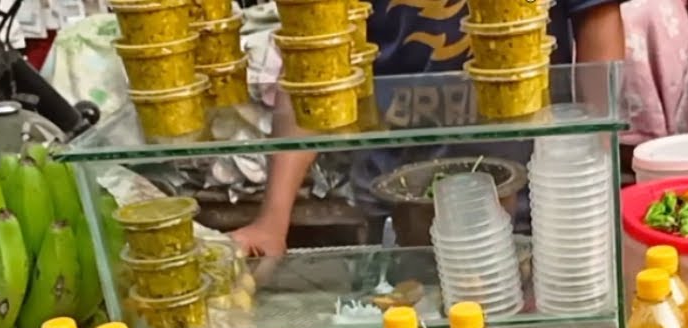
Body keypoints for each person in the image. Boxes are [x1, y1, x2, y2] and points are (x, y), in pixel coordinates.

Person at [233, 0, 627, 257]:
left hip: (533, 198)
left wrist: (593, 187)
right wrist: (274, 218)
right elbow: (313, 65)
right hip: (398, 202)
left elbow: (599, 29)